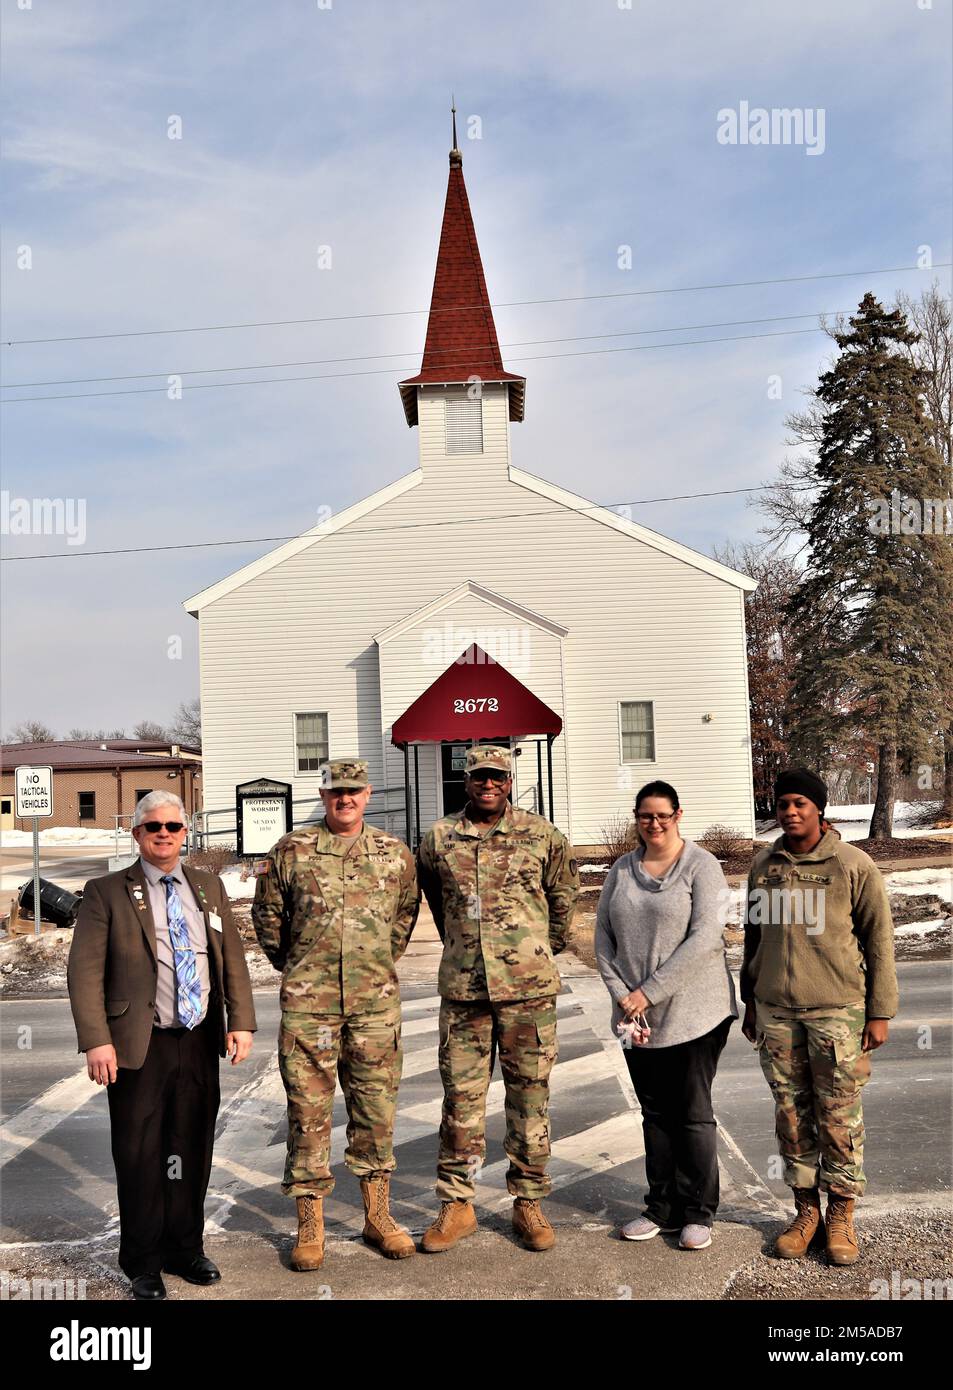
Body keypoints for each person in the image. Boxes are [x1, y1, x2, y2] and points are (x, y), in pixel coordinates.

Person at [67, 793, 256, 1301]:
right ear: (137, 833)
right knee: (140, 1151)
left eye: (173, 825)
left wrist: (239, 1021)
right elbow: (84, 972)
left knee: (190, 1145)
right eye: (153, 826)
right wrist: (97, 1041)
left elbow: (230, 959)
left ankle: (185, 1248)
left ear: (185, 832)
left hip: (196, 1038)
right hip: (138, 1043)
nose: (164, 833)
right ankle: (143, 1260)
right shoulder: (106, 891)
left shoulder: (208, 886)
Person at [253, 758, 419, 1271]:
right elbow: (268, 918)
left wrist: (373, 964)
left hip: (374, 1006)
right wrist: (301, 967)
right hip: (310, 1008)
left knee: (375, 1113)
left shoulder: (393, 854)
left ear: (367, 794)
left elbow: (404, 918)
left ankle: (378, 1216)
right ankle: (311, 1224)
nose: (344, 799)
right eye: (335, 791)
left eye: (353, 791)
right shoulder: (292, 851)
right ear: (322, 796)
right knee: (308, 1114)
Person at [416, 745, 579, 1253]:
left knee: (529, 1099)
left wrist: (532, 951)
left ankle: (528, 1201)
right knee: (460, 1102)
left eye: (498, 777)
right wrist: (465, 947)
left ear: (510, 781)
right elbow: (437, 903)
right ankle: (457, 1204)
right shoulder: (440, 838)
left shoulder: (542, 835)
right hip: (465, 992)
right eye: (480, 777)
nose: (489, 784)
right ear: (466, 780)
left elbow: (563, 902)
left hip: (528, 993)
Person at [741, 768, 897, 1266]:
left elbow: (879, 943)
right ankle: (805, 1211)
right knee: (791, 1116)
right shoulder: (764, 866)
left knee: (838, 1118)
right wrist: (750, 1002)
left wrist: (880, 1013)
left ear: (819, 810)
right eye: (783, 803)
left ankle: (842, 1215)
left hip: (836, 1013)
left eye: (800, 804)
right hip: (776, 1013)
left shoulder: (852, 864)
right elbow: (753, 939)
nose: (790, 811)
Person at [594, 780, 737, 1251]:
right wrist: (624, 996)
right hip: (637, 1017)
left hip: (696, 1012)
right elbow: (602, 938)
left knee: (691, 1113)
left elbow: (705, 939)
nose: (653, 824)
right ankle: (662, 1208)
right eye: (644, 816)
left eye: (662, 815)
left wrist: (648, 992)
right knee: (655, 1114)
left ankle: (698, 1212)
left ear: (679, 815)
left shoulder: (702, 866)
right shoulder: (621, 868)